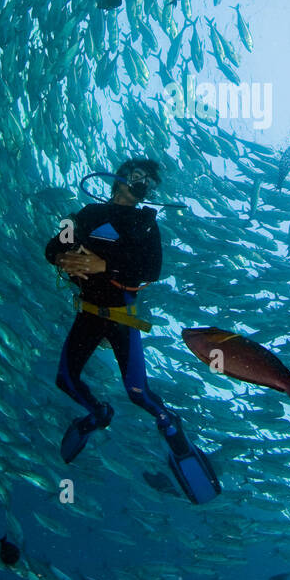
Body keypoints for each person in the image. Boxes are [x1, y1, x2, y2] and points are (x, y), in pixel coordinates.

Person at [45, 159, 193, 466]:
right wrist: (64, 257)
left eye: (148, 184)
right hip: (88, 312)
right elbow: (52, 247)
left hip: (120, 315)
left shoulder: (147, 224)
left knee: (137, 391)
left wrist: (103, 265)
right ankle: (98, 414)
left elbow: (152, 269)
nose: (142, 185)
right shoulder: (87, 214)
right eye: (138, 177)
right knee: (65, 379)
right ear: (119, 178)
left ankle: (171, 427)